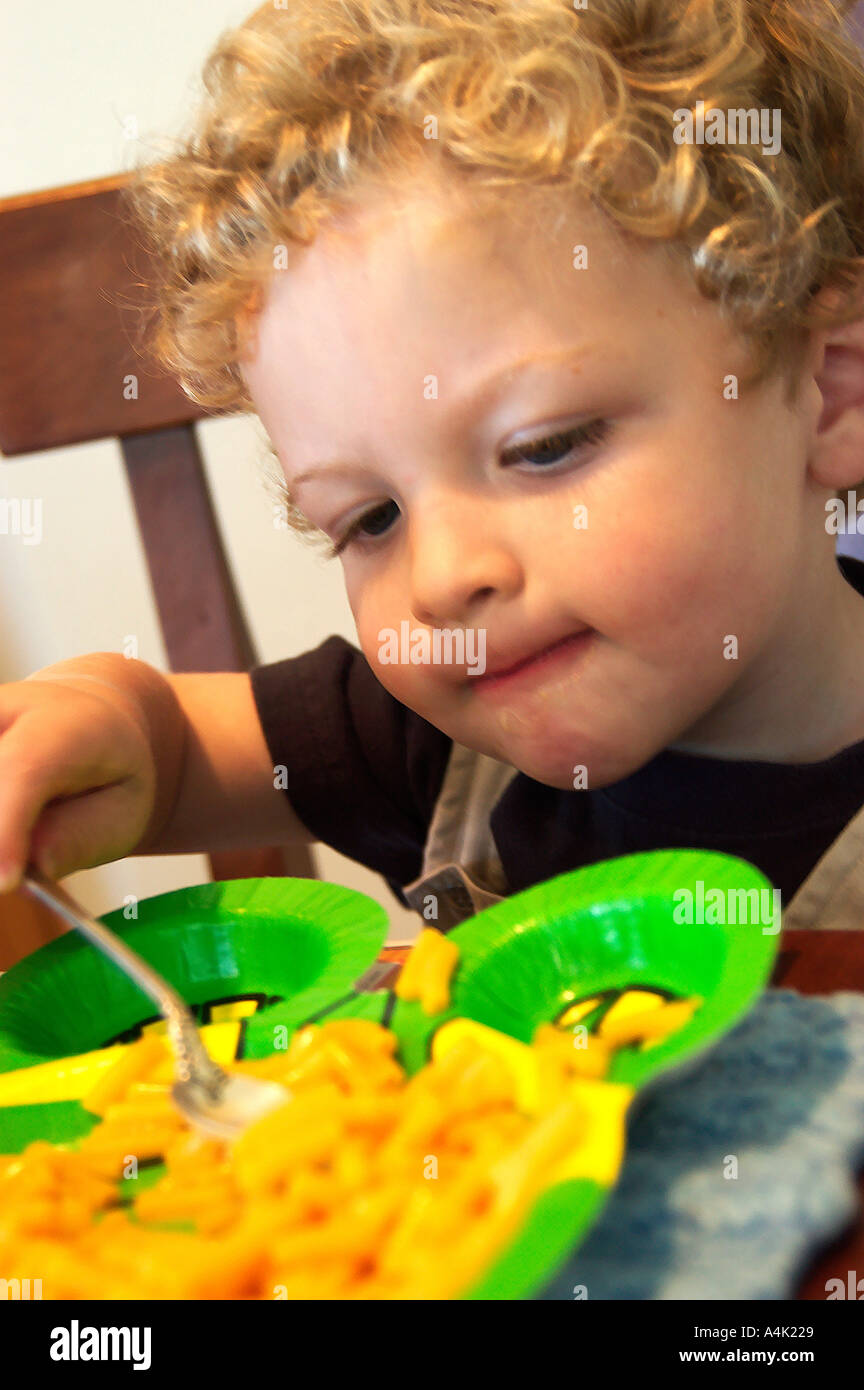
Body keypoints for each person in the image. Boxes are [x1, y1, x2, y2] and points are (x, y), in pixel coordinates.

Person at [4, 0, 864, 934]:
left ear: (833, 389)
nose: (444, 579)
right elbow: (168, 757)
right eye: (371, 518)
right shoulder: (430, 740)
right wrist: (104, 713)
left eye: (542, 449)